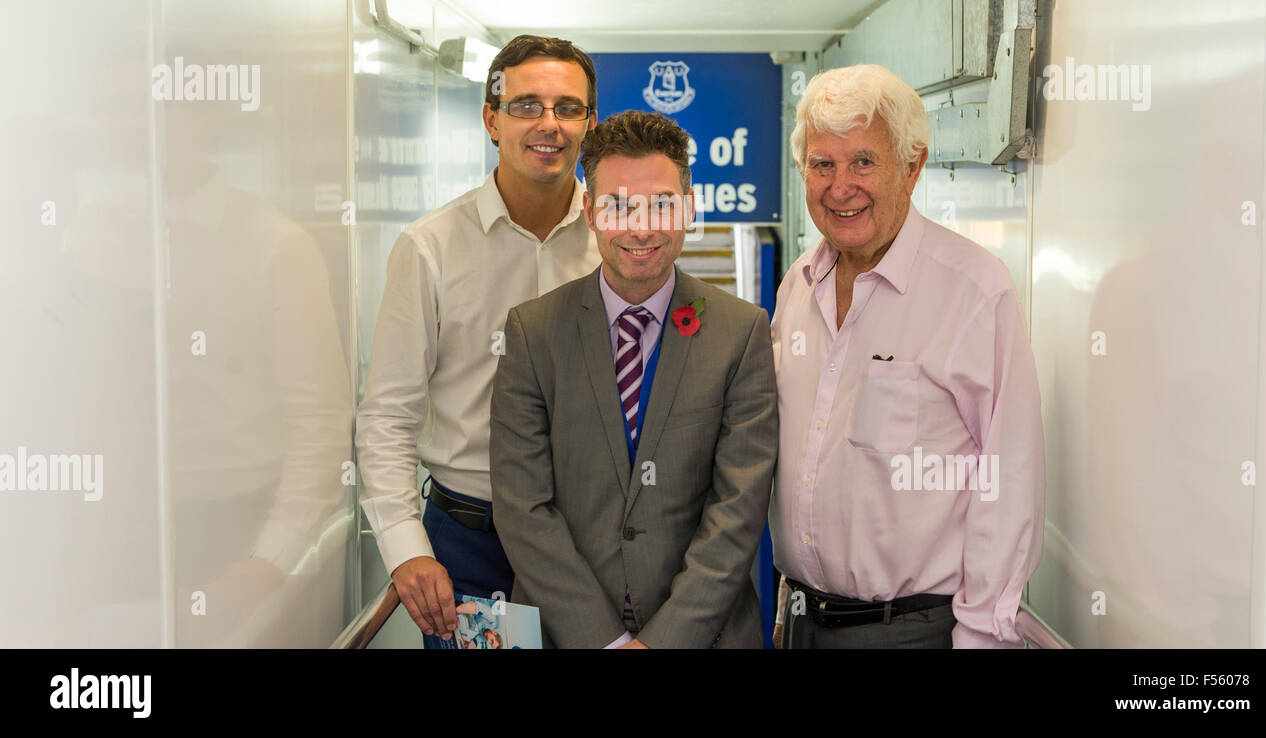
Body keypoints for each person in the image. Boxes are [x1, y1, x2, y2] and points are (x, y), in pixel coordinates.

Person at [771, 64, 1044, 649]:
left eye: (864, 161)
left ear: (913, 165)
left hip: (914, 632)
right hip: (800, 623)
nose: (841, 186)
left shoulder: (972, 289)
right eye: (823, 165)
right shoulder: (799, 283)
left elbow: (1010, 476)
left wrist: (981, 637)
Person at [489, 111, 778, 648]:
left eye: (662, 204)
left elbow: (737, 508)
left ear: (688, 209)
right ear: (590, 211)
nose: (642, 227)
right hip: (566, 635)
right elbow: (523, 508)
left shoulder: (742, 333)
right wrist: (607, 641)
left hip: (705, 636)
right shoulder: (532, 334)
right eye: (619, 204)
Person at [355, 34, 602, 648]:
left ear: (590, 124)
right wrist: (407, 551)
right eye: (526, 105)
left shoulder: (618, 243)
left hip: (592, 539)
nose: (549, 123)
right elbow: (387, 415)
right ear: (492, 119)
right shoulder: (430, 248)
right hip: (470, 549)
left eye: (568, 107)